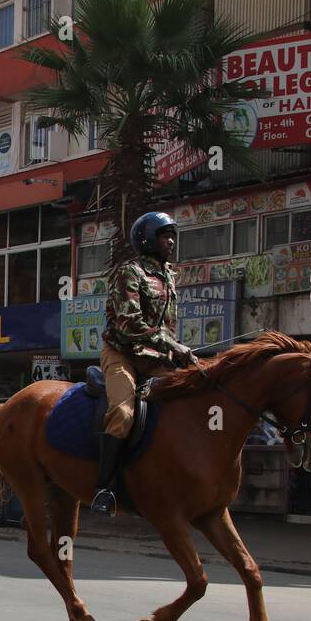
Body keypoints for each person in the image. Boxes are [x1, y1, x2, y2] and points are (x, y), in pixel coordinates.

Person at [91, 212, 194, 517]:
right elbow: (128, 323)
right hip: (122, 352)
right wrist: (173, 345)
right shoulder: (130, 272)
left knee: (193, 395)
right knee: (122, 413)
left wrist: (177, 354)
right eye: (165, 236)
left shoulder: (169, 275)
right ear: (148, 239)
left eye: (172, 236)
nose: (171, 242)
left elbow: (167, 324)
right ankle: (104, 489)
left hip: (155, 357)